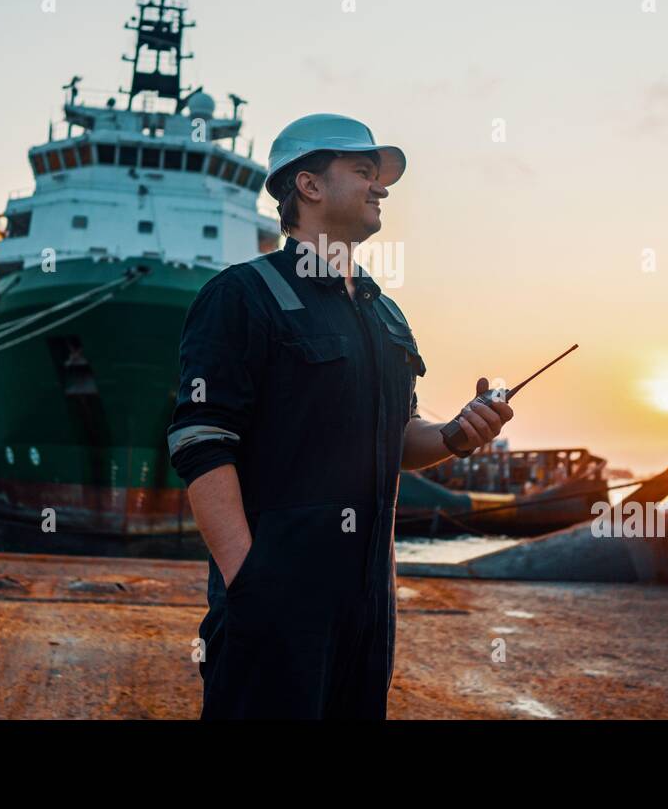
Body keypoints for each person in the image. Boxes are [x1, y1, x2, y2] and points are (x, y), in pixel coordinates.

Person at [166, 113, 514, 719]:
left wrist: (459, 433)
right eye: (363, 171)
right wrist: (248, 581)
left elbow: (398, 440)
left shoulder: (386, 316)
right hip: (273, 598)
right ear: (309, 185)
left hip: (368, 608)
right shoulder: (241, 295)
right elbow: (201, 440)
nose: (381, 188)